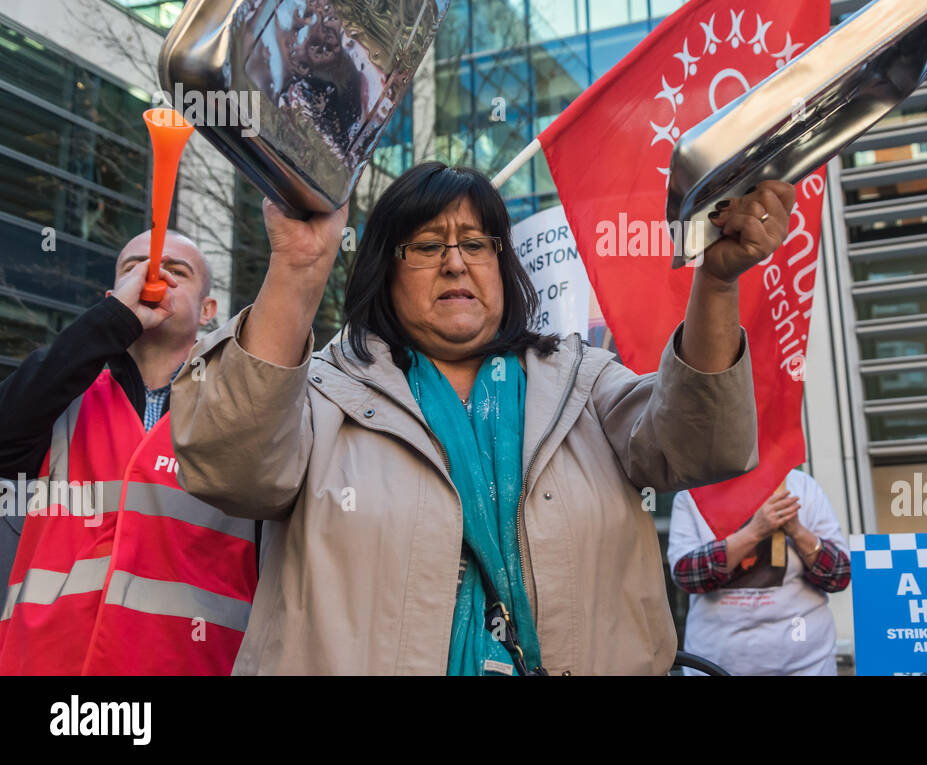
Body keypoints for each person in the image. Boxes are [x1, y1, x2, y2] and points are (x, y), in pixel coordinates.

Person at [169, 163, 792, 675]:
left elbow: (700, 444)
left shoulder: (584, 382)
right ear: (386, 271)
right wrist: (299, 269)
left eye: (475, 243)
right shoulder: (319, 393)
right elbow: (232, 467)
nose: (455, 262)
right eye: (427, 246)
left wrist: (714, 282)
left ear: (502, 266)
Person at [0, 230, 257, 675]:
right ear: (112, 297)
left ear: (209, 309)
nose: (154, 275)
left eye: (177, 271)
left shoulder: (238, 409)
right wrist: (113, 321)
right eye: (136, 267)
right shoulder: (62, 397)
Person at [667, 468, 851, 675]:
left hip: (806, 665)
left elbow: (839, 575)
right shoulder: (693, 493)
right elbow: (686, 576)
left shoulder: (803, 487)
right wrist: (755, 532)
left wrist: (797, 531)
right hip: (715, 665)